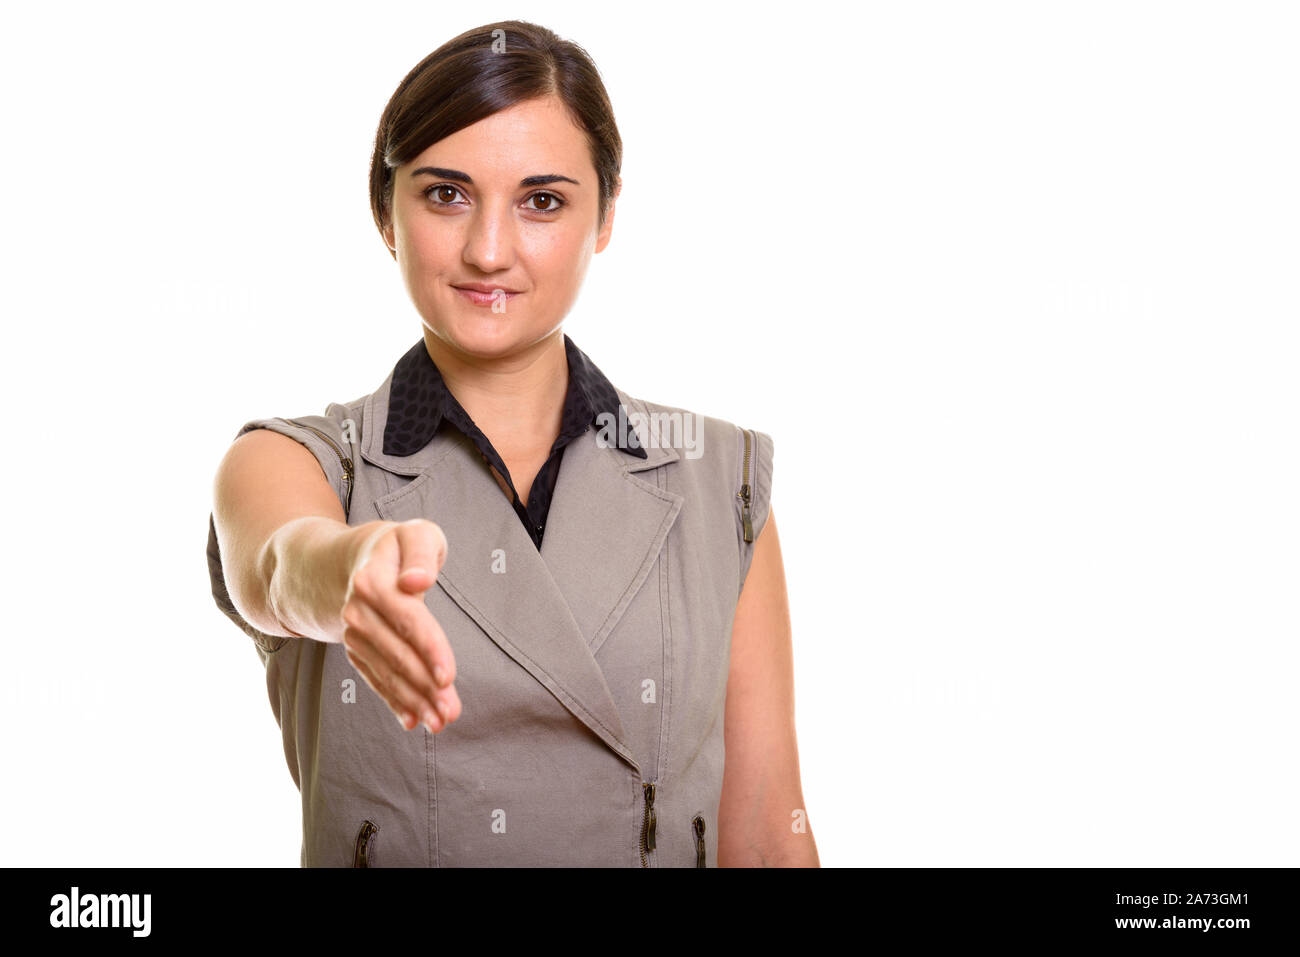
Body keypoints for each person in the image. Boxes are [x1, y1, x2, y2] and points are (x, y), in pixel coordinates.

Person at [208, 19, 818, 867]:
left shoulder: (722, 480)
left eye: (542, 201)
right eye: (445, 194)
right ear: (386, 214)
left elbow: (767, 835)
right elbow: (277, 563)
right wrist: (344, 572)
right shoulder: (304, 458)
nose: (488, 251)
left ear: (604, 217)